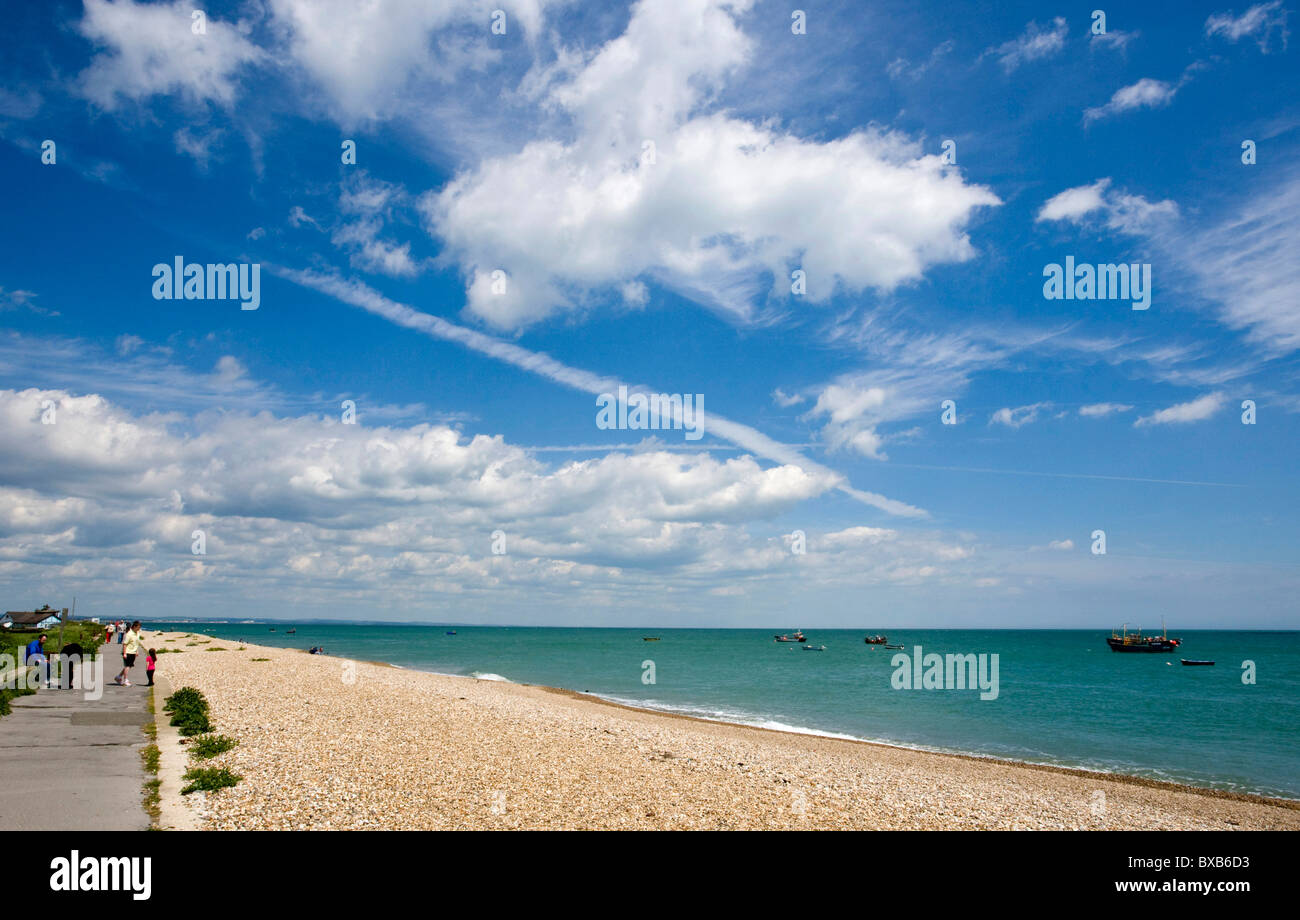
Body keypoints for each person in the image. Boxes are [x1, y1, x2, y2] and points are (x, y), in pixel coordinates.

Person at [114, 620, 143, 687]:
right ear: (135, 626)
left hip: (133, 652)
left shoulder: (137, 633)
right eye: (138, 627)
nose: (139, 629)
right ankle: (125, 680)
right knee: (127, 666)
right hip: (128, 652)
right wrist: (124, 653)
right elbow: (124, 644)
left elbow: (136, 643)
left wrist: (137, 651)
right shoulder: (129, 634)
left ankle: (118, 677)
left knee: (129, 666)